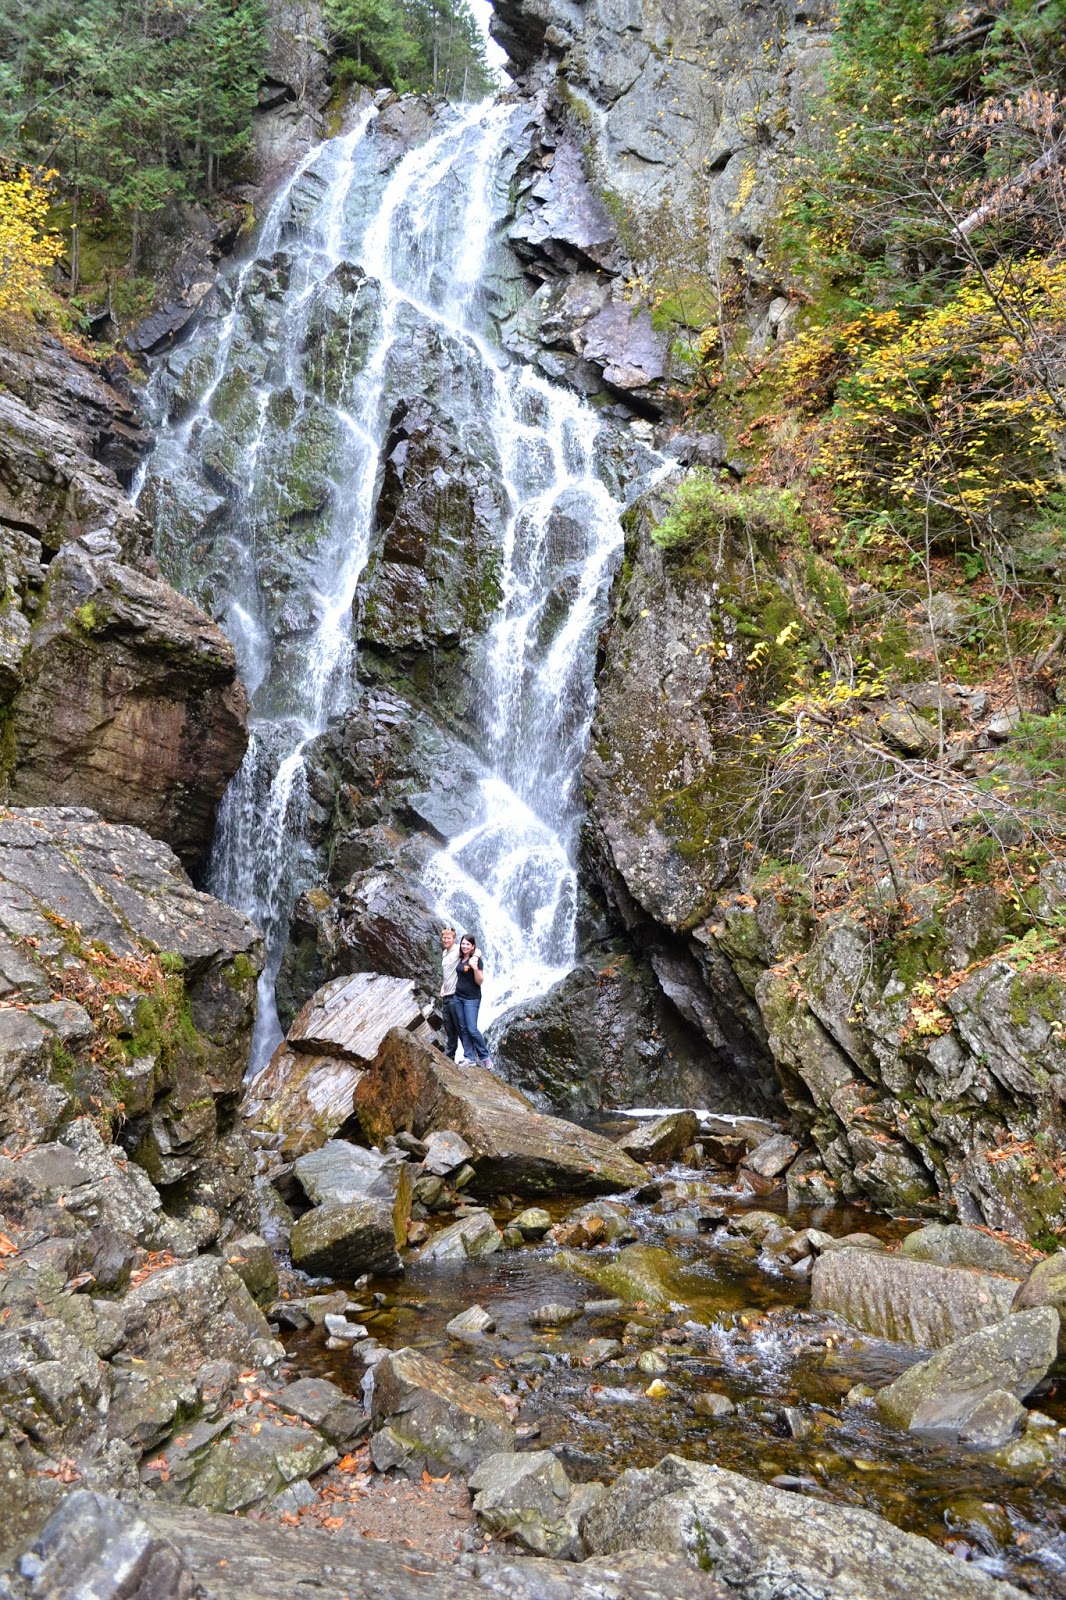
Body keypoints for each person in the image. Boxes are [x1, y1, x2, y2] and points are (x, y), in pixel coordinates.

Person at [453, 933, 492, 1069]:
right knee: (463, 1029)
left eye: (468, 944)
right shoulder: (459, 957)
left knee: (472, 1029)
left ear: (472, 946)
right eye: (463, 943)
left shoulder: (476, 960)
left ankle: (485, 1057)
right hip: (458, 997)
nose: (464, 946)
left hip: (472, 999)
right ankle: (469, 1058)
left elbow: (480, 981)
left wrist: (475, 967)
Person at [439, 926, 461, 1061]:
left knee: (460, 1027)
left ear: (454, 939)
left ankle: (469, 1057)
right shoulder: (444, 953)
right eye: (444, 938)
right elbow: (448, 973)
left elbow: (476, 951)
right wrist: (443, 985)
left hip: (456, 996)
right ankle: (450, 1057)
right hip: (446, 996)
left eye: (448, 938)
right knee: (449, 1029)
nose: (446, 940)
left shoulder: (458, 949)